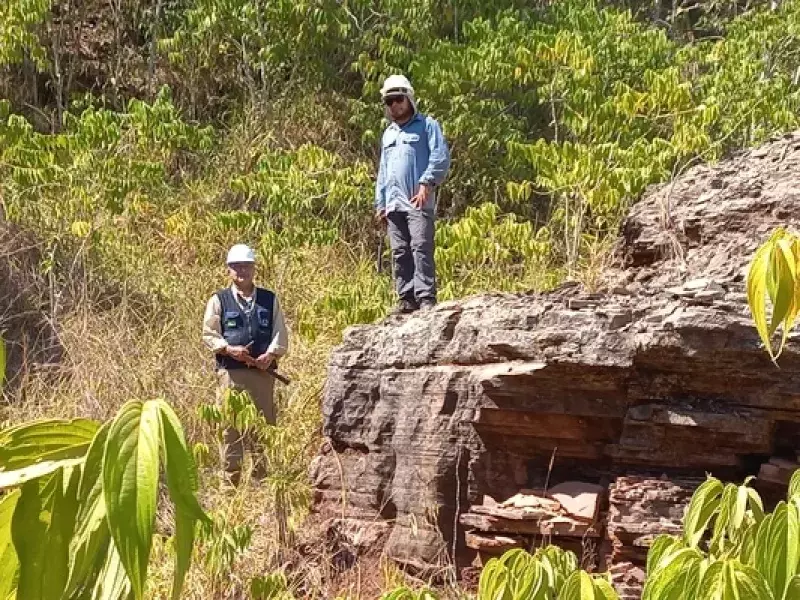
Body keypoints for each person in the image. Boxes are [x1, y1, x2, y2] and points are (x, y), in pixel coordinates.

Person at [202, 243, 289, 478]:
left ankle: (262, 482)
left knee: (263, 427)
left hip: (263, 375)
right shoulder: (218, 300)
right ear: (229, 269)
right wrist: (229, 349)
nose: (242, 270)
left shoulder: (269, 299)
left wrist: (270, 355)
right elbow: (209, 333)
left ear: (254, 268)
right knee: (231, 428)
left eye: (247, 266)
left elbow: (280, 332)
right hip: (231, 375)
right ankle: (230, 485)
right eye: (237, 266)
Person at [375, 74, 451, 314]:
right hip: (394, 203)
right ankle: (406, 298)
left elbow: (440, 157)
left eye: (398, 99)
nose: (394, 105)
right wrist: (381, 202)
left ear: (408, 98)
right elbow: (383, 170)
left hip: (418, 200)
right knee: (399, 251)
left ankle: (426, 297)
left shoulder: (428, 125)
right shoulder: (388, 133)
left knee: (420, 246)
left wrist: (426, 183)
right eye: (389, 101)